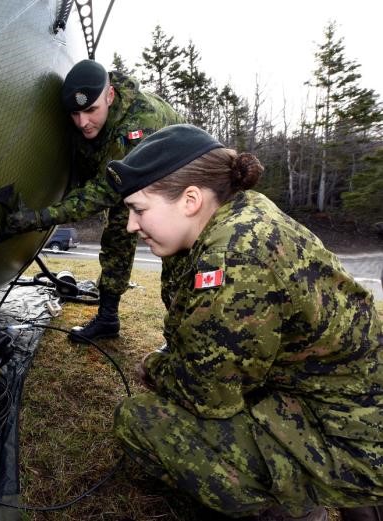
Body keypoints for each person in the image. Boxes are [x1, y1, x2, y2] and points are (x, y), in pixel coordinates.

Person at [107, 124, 383, 521]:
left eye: (139, 210)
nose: (131, 226)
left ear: (190, 200)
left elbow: (209, 396)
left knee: (139, 420)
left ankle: (295, 510)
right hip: (349, 407)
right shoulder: (244, 213)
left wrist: (154, 367)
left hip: (352, 437)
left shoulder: (234, 256)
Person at [0, 59, 182, 343]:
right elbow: (84, 172)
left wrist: (38, 218)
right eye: (75, 113)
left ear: (110, 96)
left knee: (176, 252)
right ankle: (108, 319)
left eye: (91, 110)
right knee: (117, 237)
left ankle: (179, 338)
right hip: (130, 175)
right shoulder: (92, 122)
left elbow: (103, 192)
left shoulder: (137, 124)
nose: (83, 122)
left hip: (176, 177)